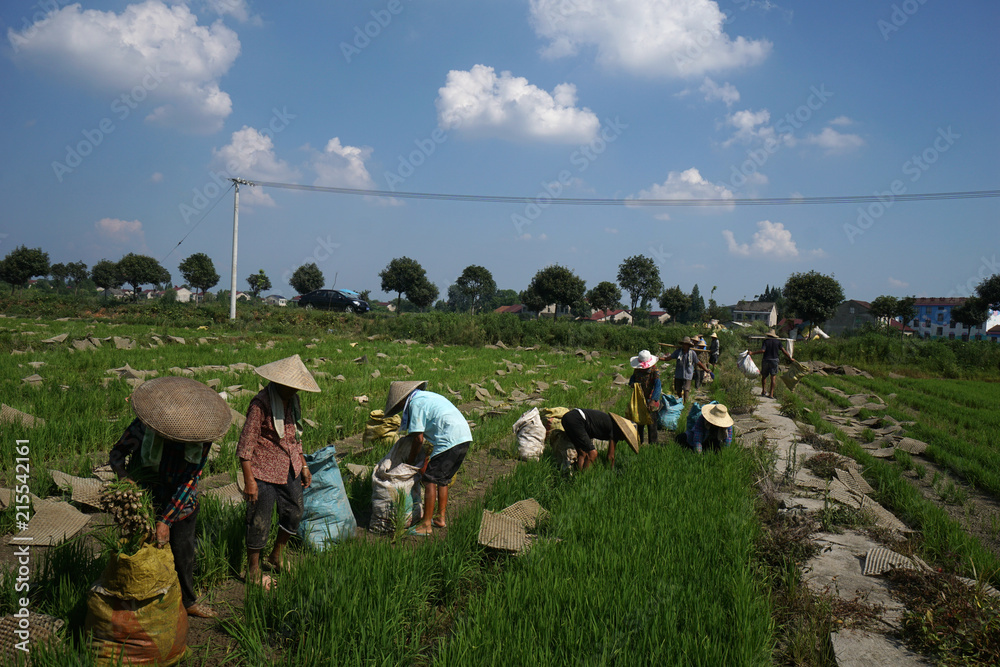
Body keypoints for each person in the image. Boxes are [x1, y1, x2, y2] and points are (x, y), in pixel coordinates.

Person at [109, 376, 232, 619]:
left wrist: (165, 520)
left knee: (183, 552)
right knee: (139, 549)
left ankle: (188, 601)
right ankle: (138, 600)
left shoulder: (200, 438)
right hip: (146, 497)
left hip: (181, 504)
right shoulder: (145, 426)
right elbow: (116, 453)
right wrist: (126, 479)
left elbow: (189, 481)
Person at [237, 354, 320, 590]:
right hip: (263, 469)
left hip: (289, 466)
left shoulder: (292, 402)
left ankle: (276, 555)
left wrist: (303, 464)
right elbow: (245, 444)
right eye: (291, 387)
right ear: (280, 383)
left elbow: (294, 437)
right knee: (259, 520)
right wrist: (249, 480)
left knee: (295, 511)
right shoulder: (260, 403)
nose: (295, 391)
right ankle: (253, 570)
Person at [385, 380, 472, 537]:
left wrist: (409, 463)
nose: (399, 411)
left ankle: (426, 524)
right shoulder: (426, 397)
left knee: (429, 480)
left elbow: (418, 439)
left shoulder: (416, 403)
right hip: (464, 437)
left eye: (398, 407)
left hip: (449, 440)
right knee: (442, 479)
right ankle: (440, 518)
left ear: (403, 400)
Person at [546, 409, 639, 470]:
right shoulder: (616, 431)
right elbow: (610, 457)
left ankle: (579, 476)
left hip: (569, 417)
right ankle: (585, 479)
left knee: (582, 453)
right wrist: (611, 471)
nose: (624, 440)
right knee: (593, 453)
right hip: (577, 419)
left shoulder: (612, 425)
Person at [748, 330, 794, 399]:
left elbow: (763, 350)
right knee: (773, 377)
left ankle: (763, 391)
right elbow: (784, 351)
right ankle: (771, 394)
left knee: (764, 376)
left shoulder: (766, 341)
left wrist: (752, 353)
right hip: (774, 360)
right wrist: (790, 358)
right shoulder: (778, 342)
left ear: (768, 335)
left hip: (766, 360)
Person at [628, 349, 661, 445]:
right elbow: (632, 379)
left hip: (651, 399)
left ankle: (653, 444)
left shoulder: (654, 371)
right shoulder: (637, 370)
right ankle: (639, 442)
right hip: (639, 399)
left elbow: (657, 386)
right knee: (639, 422)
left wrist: (653, 400)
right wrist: (632, 384)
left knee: (652, 423)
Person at [665, 337, 712, 403]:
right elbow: (668, 358)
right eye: (683, 344)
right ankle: (680, 399)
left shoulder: (692, 353)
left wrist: (705, 369)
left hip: (688, 375)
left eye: (686, 344)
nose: (684, 345)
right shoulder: (678, 352)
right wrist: (659, 358)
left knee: (686, 390)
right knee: (678, 390)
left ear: (688, 345)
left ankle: (685, 403)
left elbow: (698, 362)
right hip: (678, 374)